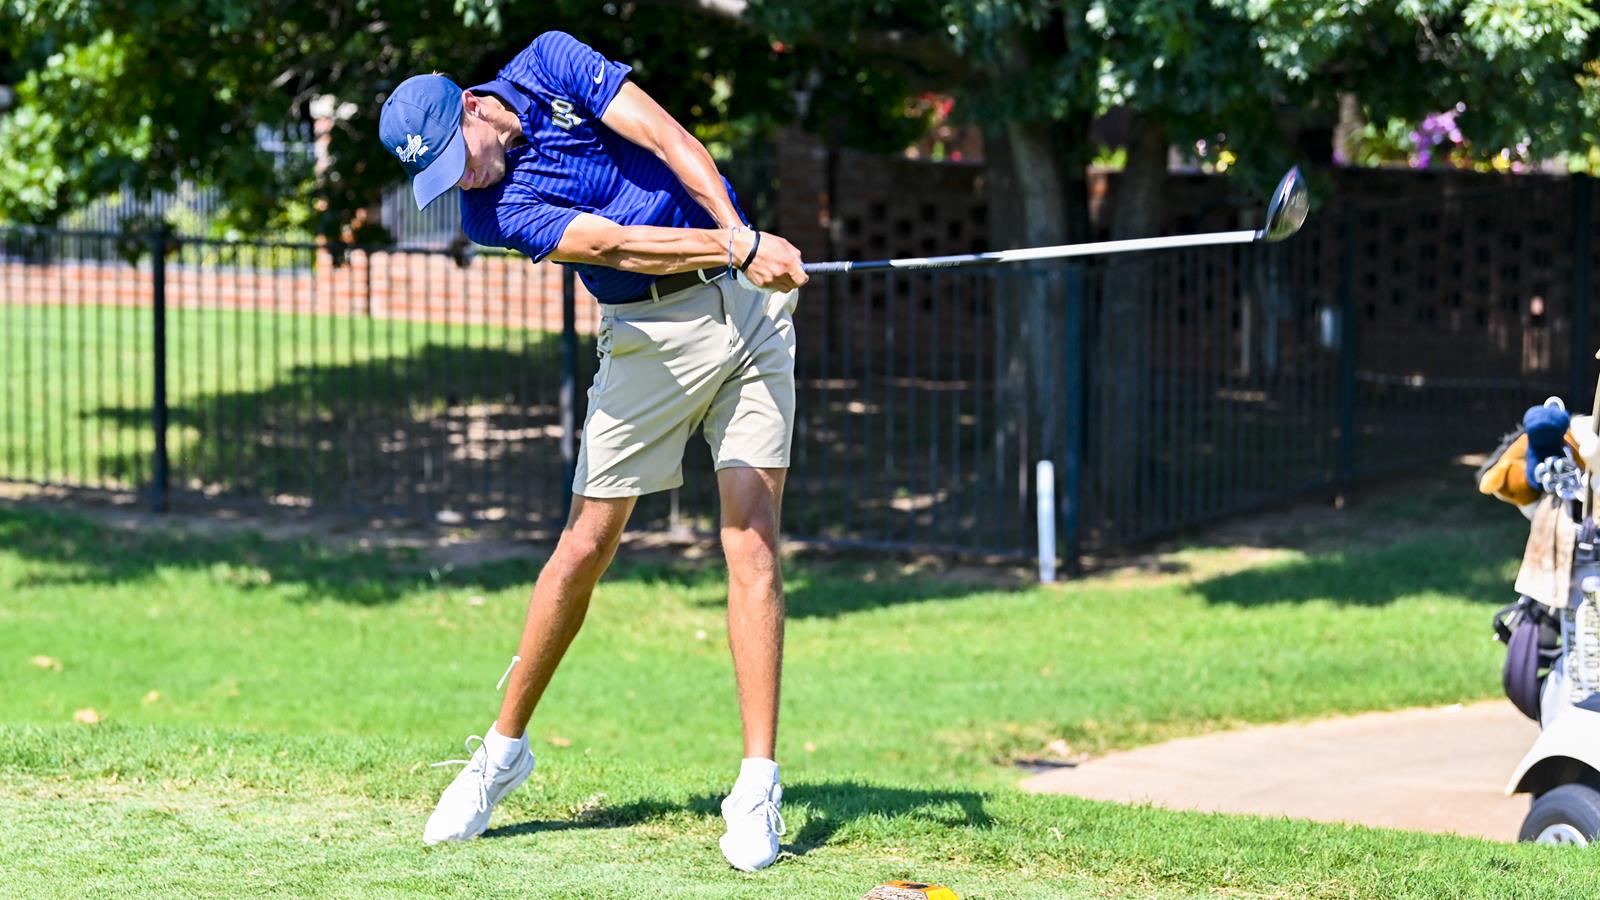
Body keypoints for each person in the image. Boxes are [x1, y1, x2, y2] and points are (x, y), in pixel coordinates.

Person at [377, 30, 808, 872]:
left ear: (472, 107)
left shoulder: (550, 62)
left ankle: (757, 785)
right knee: (584, 546)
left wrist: (739, 239)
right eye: (441, 181)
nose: (460, 183)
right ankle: (501, 754)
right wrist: (738, 247)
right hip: (646, 340)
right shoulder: (489, 209)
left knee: (750, 537)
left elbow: (670, 139)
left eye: (457, 159)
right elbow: (612, 244)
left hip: (750, 321)